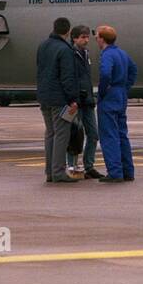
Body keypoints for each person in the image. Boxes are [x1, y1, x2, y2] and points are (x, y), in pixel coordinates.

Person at [36, 17, 80, 184]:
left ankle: (50, 172)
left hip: (44, 96)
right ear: (68, 31)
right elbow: (67, 77)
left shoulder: (43, 46)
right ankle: (58, 172)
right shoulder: (65, 50)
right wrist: (73, 99)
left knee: (50, 133)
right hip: (60, 98)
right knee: (62, 133)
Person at [96, 25, 138, 183]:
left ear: (102, 38)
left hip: (110, 95)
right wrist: (125, 87)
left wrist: (102, 91)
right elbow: (133, 70)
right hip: (120, 94)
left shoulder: (107, 55)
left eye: (97, 37)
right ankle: (128, 171)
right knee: (122, 133)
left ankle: (115, 172)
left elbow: (105, 73)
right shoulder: (122, 53)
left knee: (109, 135)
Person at [65, 25, 104, 180]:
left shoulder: (86, 53)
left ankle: (89, 166)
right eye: (82, 37)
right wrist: (72, 98)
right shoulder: (69, 54)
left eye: (87, 37)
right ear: (74, 38)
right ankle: (71, 165)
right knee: (74, 134)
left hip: (87, 100)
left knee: (93, 134)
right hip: (75, 101)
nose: (86, 40)